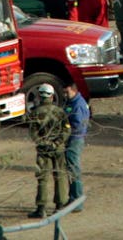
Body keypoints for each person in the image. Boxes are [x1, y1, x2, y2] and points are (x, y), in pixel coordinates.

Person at [27, 83, 71, 217]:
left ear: (40, 96)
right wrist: (56, 143)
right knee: (60, 176)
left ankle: (41, 208)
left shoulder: (35, 113)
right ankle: (59, 205)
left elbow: (33, 133)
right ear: (51, 96)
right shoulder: (60, 112)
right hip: (58, 149)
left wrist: (43, 143)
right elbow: (67, 130)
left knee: (42, 178)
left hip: (43, 150)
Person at [60, 80, 89, 204]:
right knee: (70, 169)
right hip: (72, 139)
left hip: (75, 139)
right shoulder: (71, 102)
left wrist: (65, 132)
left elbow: (78, 125)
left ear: (74, 90)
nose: (65, 95)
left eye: (67, 92)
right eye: (64, 92)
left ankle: (77, 200)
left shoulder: (78, 105)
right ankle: (73, 198)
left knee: (73, 169)